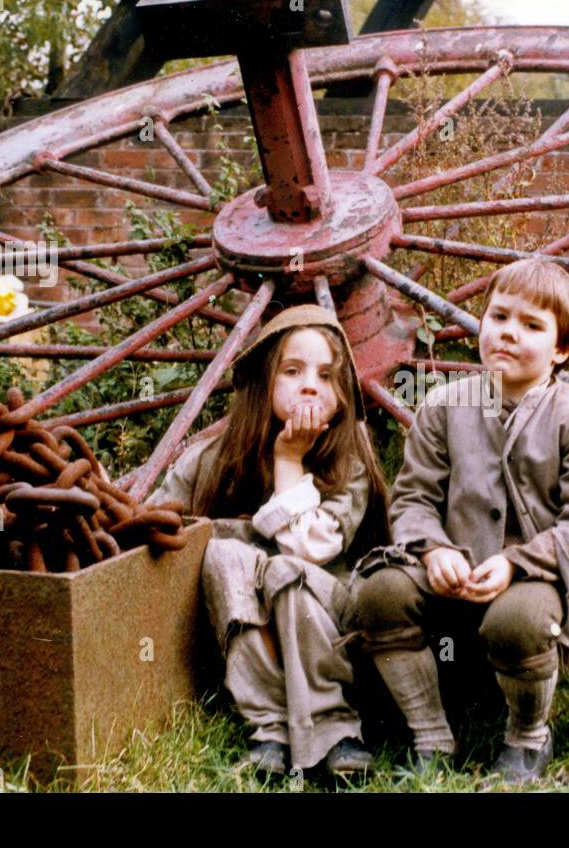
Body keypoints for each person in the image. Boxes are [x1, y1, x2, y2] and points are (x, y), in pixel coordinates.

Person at [346, 259, 569, 784]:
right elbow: (413, 499)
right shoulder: (445, 408)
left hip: (540, 575)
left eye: (532, 326)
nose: (508, 334)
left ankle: (528, 735)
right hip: (453, 570)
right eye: (499, 317)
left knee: (517, 622)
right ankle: (429, 731)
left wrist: (516, 562)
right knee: (378, 594)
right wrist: (434, 549)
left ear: (560, 350)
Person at [148, 304, 391, 777]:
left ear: (342, 397)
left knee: (284, 567)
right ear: (262, 382)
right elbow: (156, 519)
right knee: (221, 552)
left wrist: (288, 461)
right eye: (293, 371)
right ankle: (270, 729)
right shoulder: (211, 458)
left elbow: (310, 548)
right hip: (244, 628)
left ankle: (333, 728)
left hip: (330, 628)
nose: (310, 386)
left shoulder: (348, 467)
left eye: (326, 376)